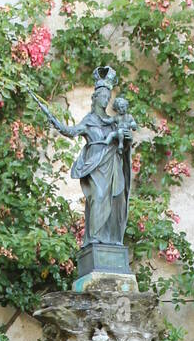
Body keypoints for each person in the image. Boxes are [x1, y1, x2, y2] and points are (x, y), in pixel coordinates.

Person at [33, 65, 134, 246]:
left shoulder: (113, 122)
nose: (106, 100)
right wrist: (53, 120)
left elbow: (123, 143)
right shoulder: (89, 121)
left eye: (108, 97)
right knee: (98, 196)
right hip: (95, 164)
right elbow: (70, 131)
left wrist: (127, 139)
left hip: (112, 163)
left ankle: (110, 239)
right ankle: (94, 238)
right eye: (102, 96)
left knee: (115, 199)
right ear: (95, 98)